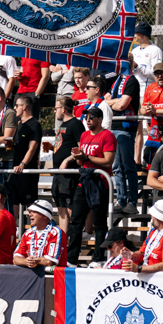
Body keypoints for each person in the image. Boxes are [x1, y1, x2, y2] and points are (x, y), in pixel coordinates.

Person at [62, 107, 116, 266]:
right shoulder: (84, 135)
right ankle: (71, 259)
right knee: (76, 222)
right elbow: (81, 162)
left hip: (100, 182)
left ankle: (98, 259)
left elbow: (108, 161)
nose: (88, 120)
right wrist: (79, 156)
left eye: (91, 117)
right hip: (83, 181)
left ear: (100, 119)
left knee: (99, 223)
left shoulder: (108, 136)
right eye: (86, 117)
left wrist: (85, 156)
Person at [105, 62, 141, 215]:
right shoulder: (116, 80)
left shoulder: (132, 80)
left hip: (126, 128)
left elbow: (122, 105)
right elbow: (106, 101)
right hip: (114, 127)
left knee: (128, 165)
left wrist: (111, 102)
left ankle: (132, 201)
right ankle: (121, 199)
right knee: (116, 167)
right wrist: (113, 102)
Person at [50, 96, 85, 233]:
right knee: (61, 206)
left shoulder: (76, 124)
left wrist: (67, 160)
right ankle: (63, 238)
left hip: (69, 173)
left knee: (70, 206)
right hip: (59, 173)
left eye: (56, 109)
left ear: (63, 109)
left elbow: (81, 148)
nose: (54, 112)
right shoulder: (63, 125)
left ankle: (80, 231)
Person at [126, 199, 163, 273]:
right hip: (150, 278)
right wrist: (132, 255)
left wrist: (139, 268)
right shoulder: (154, 231)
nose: (151, 217)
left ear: (158, 218)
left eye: (152, 215)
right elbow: (143, 253)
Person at [10, 93, 43, 206]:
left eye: (17, 105)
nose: (15, 108)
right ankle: (14, 224)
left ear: (24, 107)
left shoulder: (35, 125)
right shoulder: (19, 124)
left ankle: (36, 223)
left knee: (30, 203)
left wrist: (22, 164)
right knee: (14, 201)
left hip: (28, 169)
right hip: (15, 168)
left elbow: (32, 148)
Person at [15, 200, 65, 268]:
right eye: (30, 212)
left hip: (52, 276)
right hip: (32, 275)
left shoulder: (55, 232)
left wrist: (33, 261)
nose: (30, 214)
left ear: (45, 216)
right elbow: (16, 259)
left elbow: (49, 261)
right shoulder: (28, 233)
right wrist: (26, 262)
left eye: (34, 212)